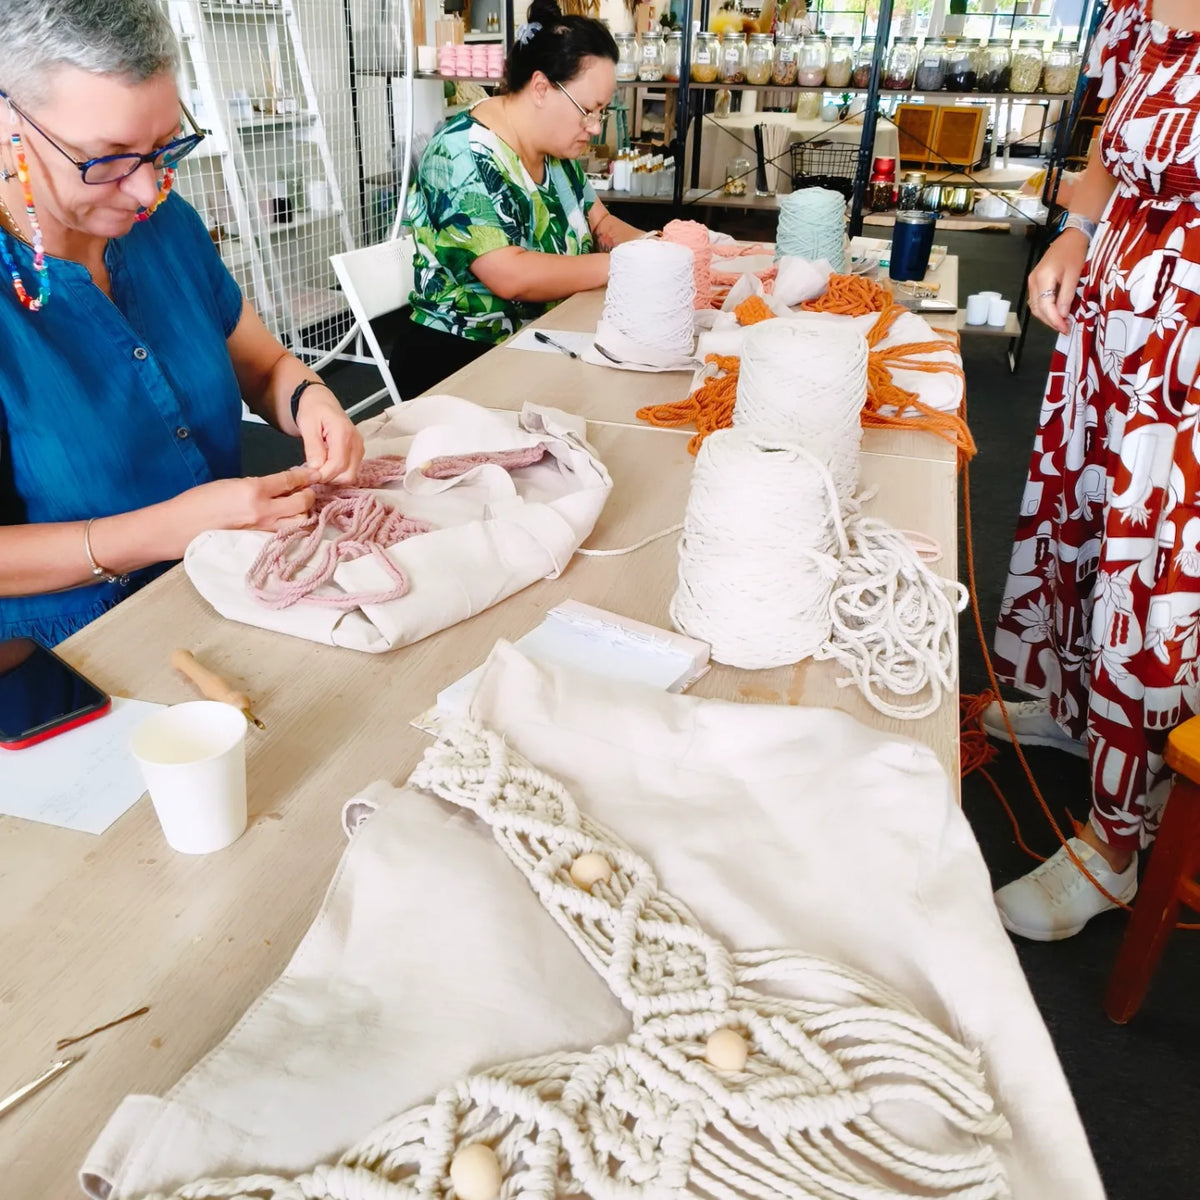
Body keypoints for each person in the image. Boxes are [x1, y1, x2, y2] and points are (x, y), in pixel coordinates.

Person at [0, 0, 363, 648]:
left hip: (234, 594)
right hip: (69, 655)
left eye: (165, 146)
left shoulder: (164, 224)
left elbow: (264, 364)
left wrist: (313, 401)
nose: (145, 190)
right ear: (8, 124)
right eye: (106, 158)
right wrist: (167, 529)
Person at [985, 0, 1200, 940]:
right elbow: (1112, 147)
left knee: (1145, 579)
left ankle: (1118, 840)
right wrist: (1074, 234)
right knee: (1086, 521)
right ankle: (1078, 711)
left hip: (1183, 347)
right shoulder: (1135, 13)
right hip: (1117, 310)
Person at [394, 0, 645, 397]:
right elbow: (510, 275)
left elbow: (600, 223)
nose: (594, 128)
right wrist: (625, 266)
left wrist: (659, 250)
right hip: (464, 356)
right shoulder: (460, 153)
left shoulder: (557, 153)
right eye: (588, 111)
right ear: (542, 87)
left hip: (544, 336)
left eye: (601, 113)